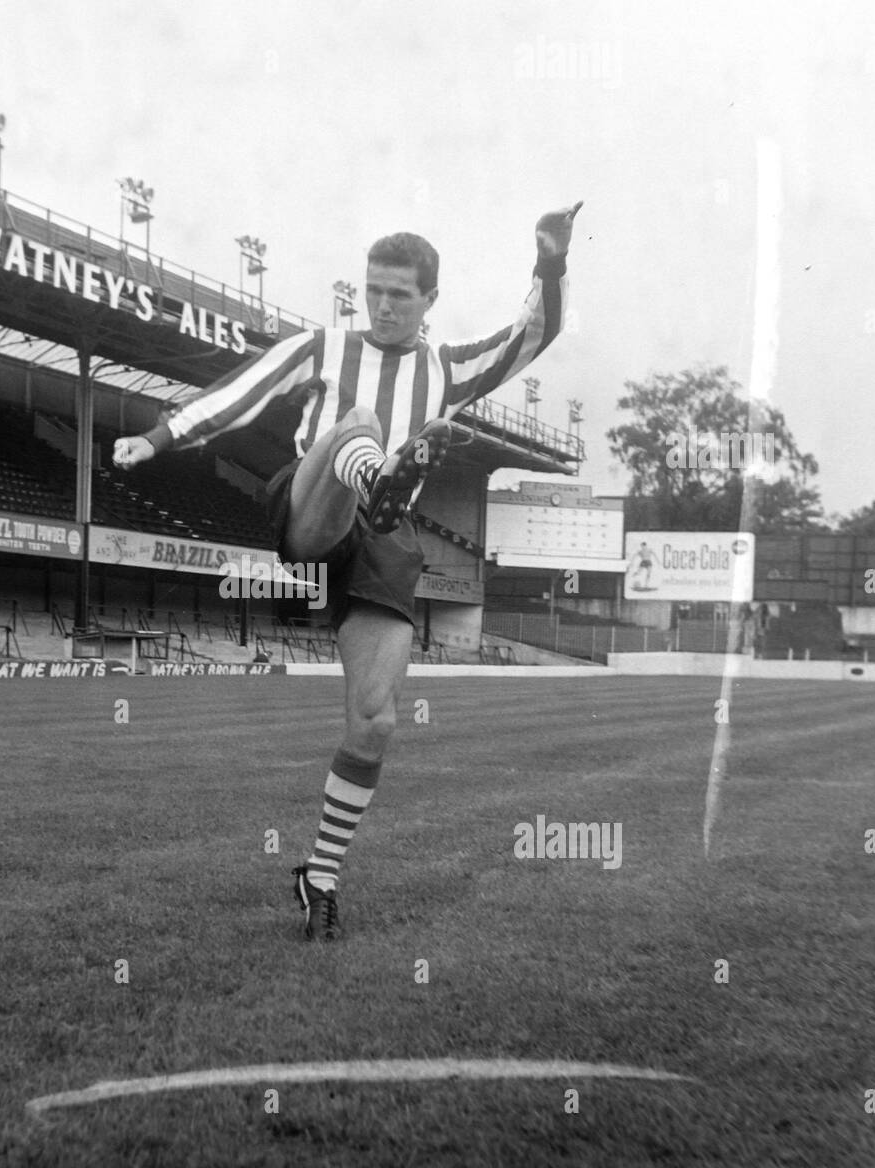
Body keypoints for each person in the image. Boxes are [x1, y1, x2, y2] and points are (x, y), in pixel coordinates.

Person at [114, 202, 581, 940]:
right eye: (375, 290)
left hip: (384, 546)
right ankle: (377, 474)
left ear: (430, 300)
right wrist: (161, 434)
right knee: (358, 424)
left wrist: (550, 262)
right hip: (314, 506)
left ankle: (320, 875)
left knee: (375, 720)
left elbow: (533, 334)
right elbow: (246, 387)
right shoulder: (325, 346)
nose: (384, 305)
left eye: (401, 294)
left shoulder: (446, 368)